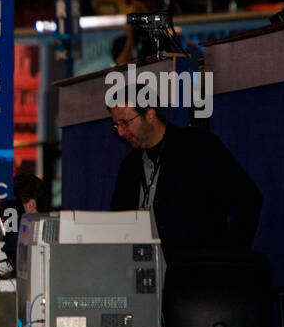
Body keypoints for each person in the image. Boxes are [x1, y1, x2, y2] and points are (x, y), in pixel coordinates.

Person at [107, 102, 262, 262]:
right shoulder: (128, 168)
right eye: (116, 125)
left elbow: (249, 200)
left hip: (197, 277)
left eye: (125, 122)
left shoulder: (199, 148)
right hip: (145, 277)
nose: (120, 132)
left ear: (150, 115)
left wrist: (229, 258)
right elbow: (120, 223)